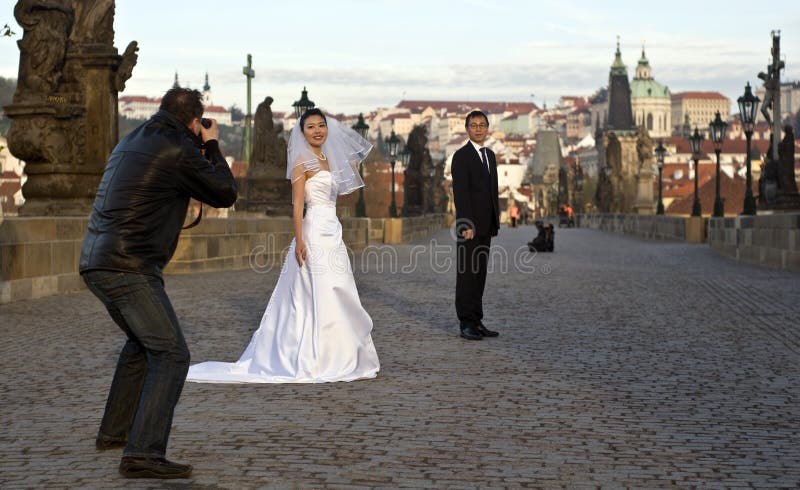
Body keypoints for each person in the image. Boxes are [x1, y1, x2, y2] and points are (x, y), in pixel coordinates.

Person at [79, 88, 238, 479]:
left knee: (143, 344)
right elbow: (224, 192)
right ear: (193, 121)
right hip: (128, 265)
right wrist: (213, 144)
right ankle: (143, 453)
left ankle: (115, 433)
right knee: (171, 354)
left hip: (96, 259)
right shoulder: (178, 147)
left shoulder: (131, 140)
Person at [186, 108, 379, 383]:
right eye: (310, 127)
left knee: (339, 286)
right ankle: (315, 356)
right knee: (318, 289)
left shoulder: (330, 159)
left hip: (333, 230)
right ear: (302, 132)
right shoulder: (302, 161)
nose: (317, 131)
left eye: (321, 126)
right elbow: (298, 204)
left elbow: (341, 193)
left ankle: (340, 352)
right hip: (313, 231)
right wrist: (300, 240)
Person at [451, 110, 500, 340]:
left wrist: (494, 221)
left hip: (486, 225)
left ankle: (477, 319)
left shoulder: (490, 155)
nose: (478, 128)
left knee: (480, 274)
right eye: (474, 125)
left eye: (482, 125)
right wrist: (466, 224)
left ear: (487, 128)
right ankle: (466, 322)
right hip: (469, 226)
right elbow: (460, 194)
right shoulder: (461, 156)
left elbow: (492, 192)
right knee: (467, 274)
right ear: (467, 128)